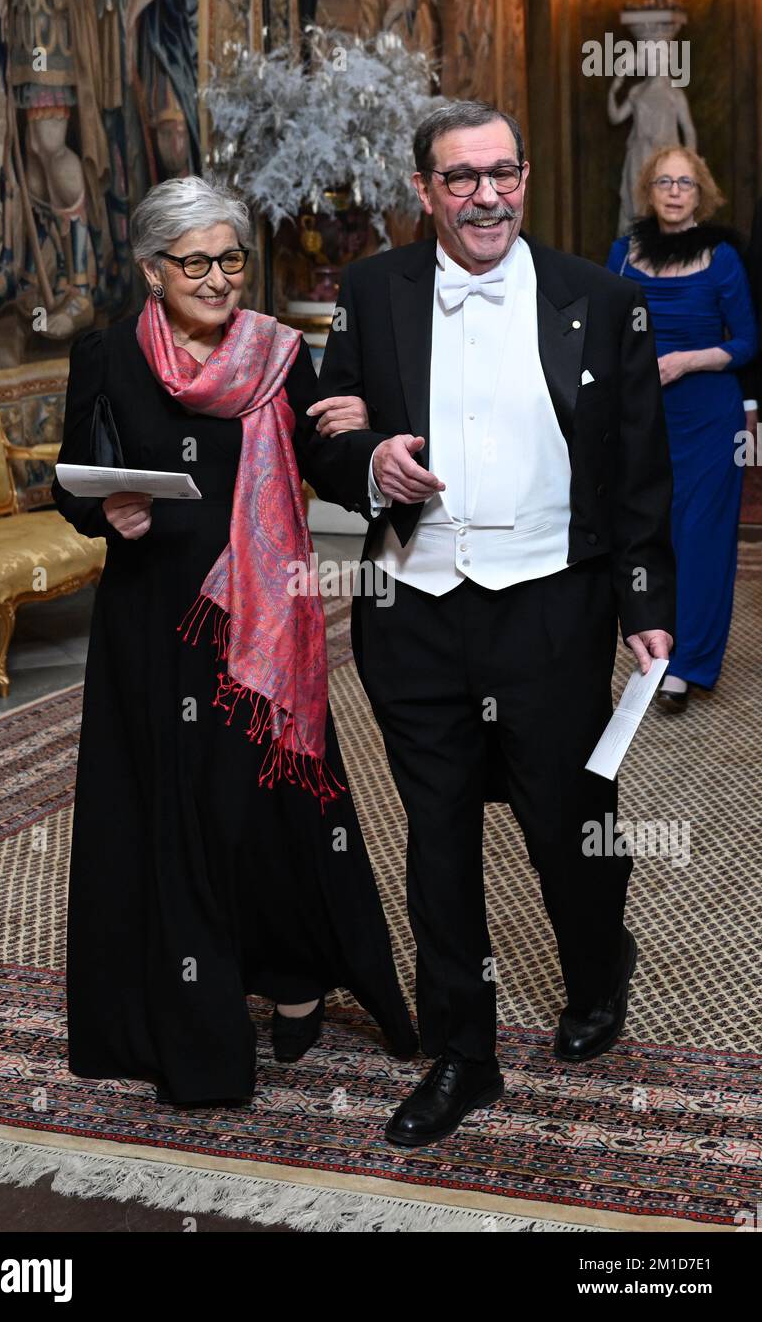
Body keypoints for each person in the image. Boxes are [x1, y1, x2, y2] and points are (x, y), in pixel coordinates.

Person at [307, 100, 676, 1147]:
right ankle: (463, 1055)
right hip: (415, 610)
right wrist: (371, 460)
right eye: (460, 178)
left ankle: (598, 963)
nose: (485, 195)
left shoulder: (600, 299)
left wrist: (648, 608)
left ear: (523, 178)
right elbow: (327, 432)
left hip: (554, 606)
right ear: (424, 190)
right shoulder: (372, 293)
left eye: (501, 173)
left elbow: (639, 469)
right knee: (438, 837)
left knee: (565, 824)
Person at [51, 174, 416, 1107]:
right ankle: (193, 1028)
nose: (218, 279)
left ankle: (294, 978)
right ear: (150, 269)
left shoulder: (280, 353)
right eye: (196, 262)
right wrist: (106, 510)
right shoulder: (107, 357)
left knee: (256, 813)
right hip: (147, 626)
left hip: (258, 630)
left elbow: (325, 460)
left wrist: (370, 458)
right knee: (167, 812)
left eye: (230, 259)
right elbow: (71, 482)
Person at [608, 146, 758, 712]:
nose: (674, 191)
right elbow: (603, 327)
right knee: (649, 533)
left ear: (702, 194)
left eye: (686, 184)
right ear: (649, 190)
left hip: (706, 416)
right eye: (665, 181)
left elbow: (746, 341)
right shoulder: (624, 254)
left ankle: (689, 665)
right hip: (641, 414)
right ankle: (653, 648)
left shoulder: (721, 258)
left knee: (700, 536)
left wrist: (685, 361)